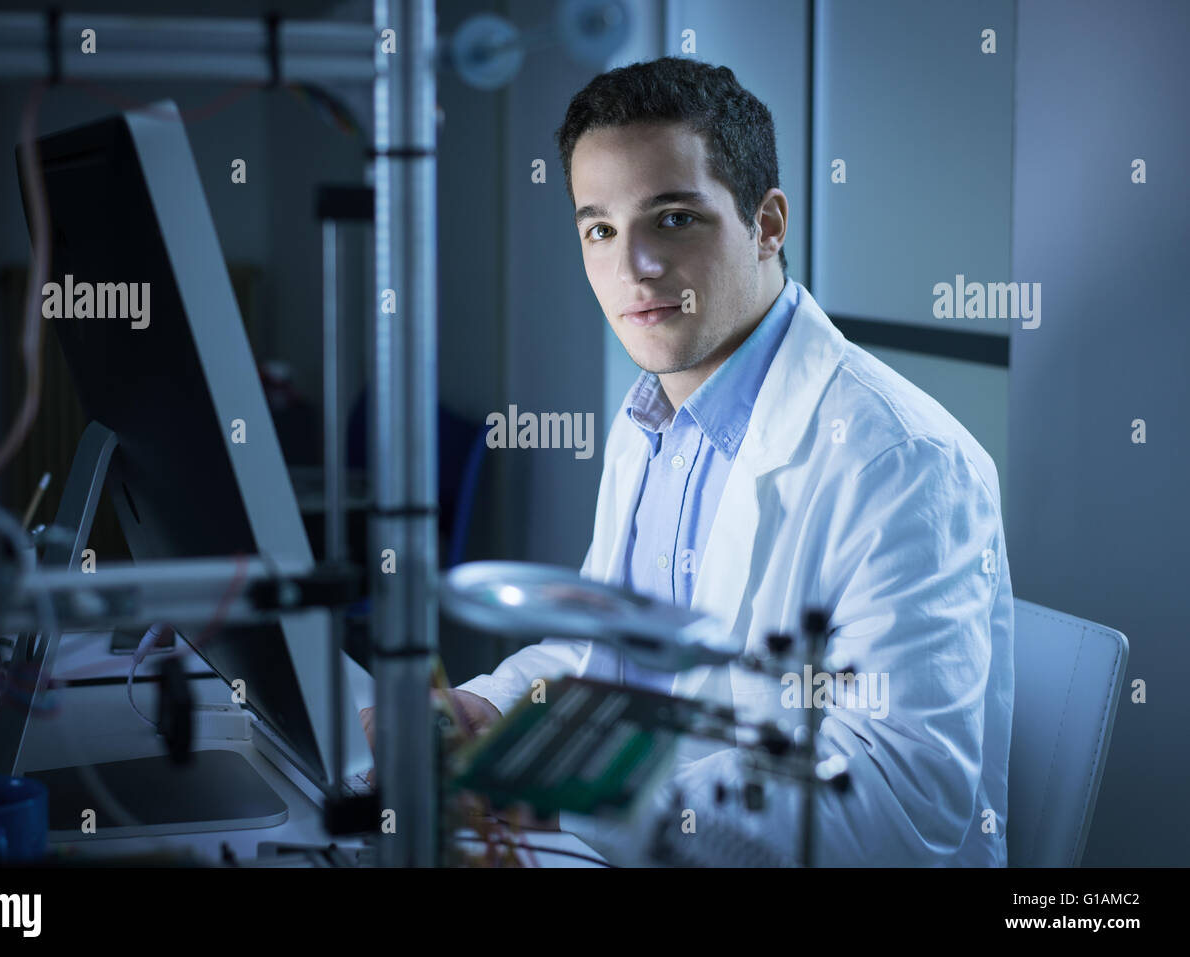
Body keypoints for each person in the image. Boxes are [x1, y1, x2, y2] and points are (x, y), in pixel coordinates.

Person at [364, 56, 1013, 867]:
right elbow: (607, 652)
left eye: (673, 218)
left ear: (767, 223)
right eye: (599, 228)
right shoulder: (649, 414)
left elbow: (900, 805)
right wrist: (483, 706)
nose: (632, 267)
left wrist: (574, 791)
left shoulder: (904, 461)